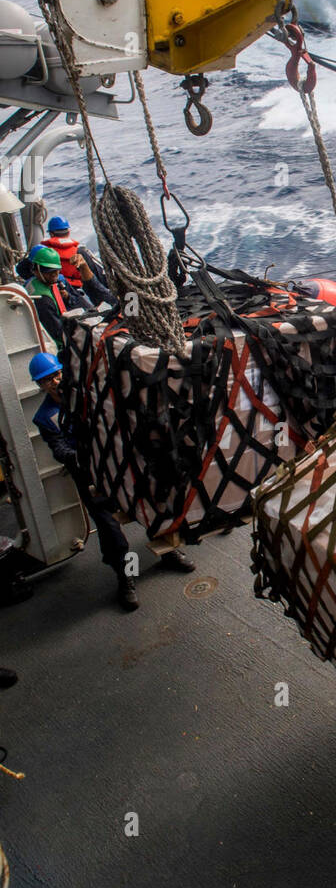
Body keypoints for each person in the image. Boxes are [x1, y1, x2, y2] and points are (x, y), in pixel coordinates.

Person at [28, 352, 196, 611]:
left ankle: (167, 552)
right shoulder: (44, 417)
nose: (54, 382)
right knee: (110, 529)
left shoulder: (84, 396)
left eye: (56, 375)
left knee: (149, 505)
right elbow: (58, 449)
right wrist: (85, 453)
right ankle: (127, 575)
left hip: (116, 464)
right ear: (39, 386)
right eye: (46, 380)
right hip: (88, 473)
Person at [22, 245, 117, 347]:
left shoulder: (53, 282)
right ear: (35, 269)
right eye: (49, 271)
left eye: (56, 270)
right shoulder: (43, 299)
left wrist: (68, 298)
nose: (54, 274)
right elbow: (58, 334)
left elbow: (81, 302)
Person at [42, 215, 107, 289]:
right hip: (81, 290)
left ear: (51, 234)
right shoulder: (80, 252)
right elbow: (101, 277)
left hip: (57, 289)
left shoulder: (43, 253)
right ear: (68, 232)